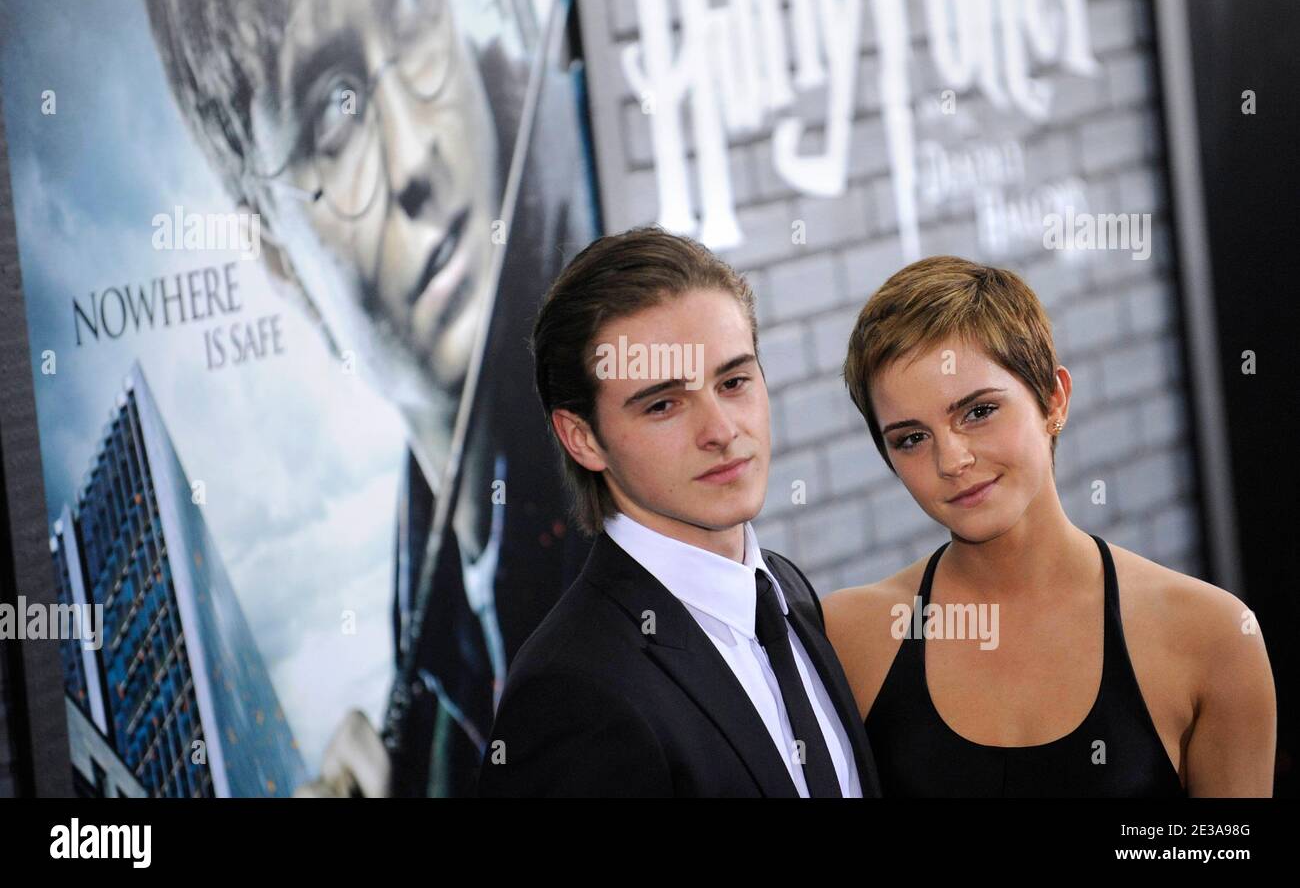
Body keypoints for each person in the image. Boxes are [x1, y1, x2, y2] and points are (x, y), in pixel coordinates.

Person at [134, 0, 595, 795]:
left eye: (412, 2)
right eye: (331, 113)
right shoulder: (433, 648)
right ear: (276, 256)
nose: (416, 153)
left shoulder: (624, 409)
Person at [824, 256, 1276, 796]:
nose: (952, 460)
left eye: (978, 411)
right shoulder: (847, 637)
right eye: (911, 438)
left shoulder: (1212, 635)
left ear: (1054, 399)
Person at [476, 227, 882, 796]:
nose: (721, 431)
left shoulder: (786, 593)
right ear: (583, 438)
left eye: (734, 381)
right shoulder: (569, 691)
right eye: (664, 404)